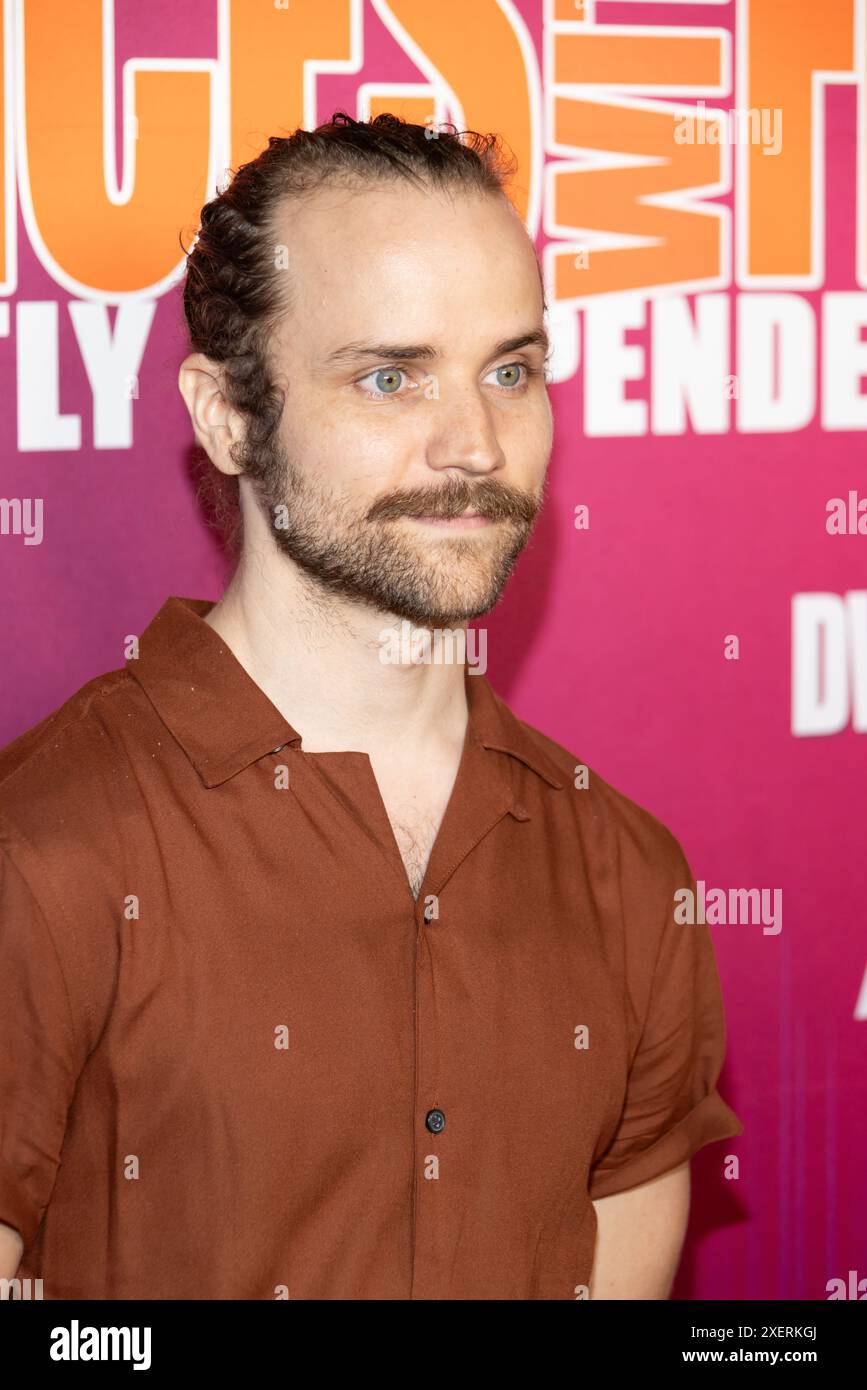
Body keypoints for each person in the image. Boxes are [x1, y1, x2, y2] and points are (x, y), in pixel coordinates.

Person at [0, 113, 741, 1300]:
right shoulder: (43, 850)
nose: (475, 443)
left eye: (511, 370)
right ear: (229, 416)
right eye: (391, 376)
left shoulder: (627, 873)